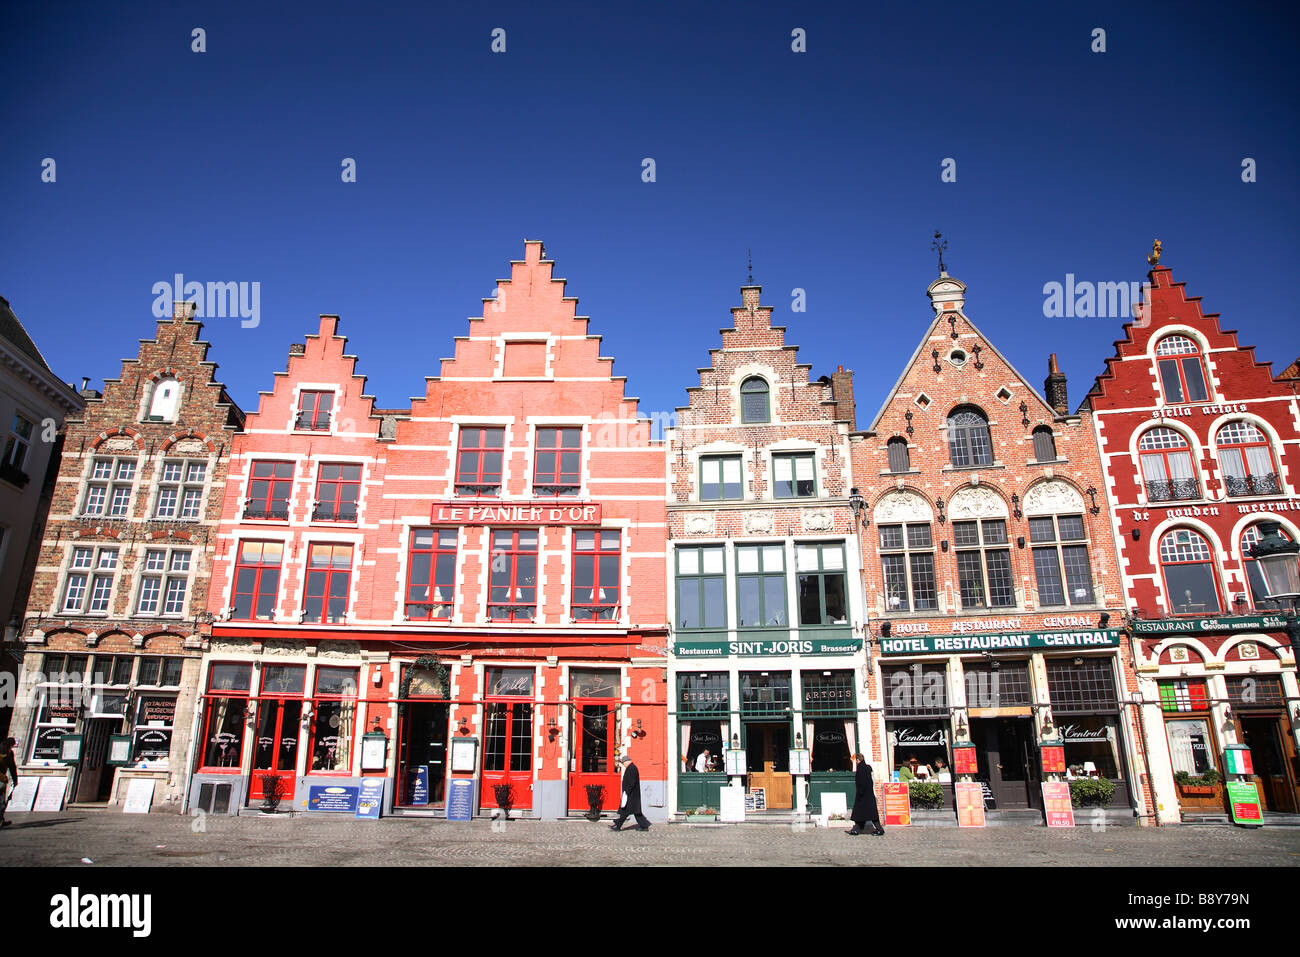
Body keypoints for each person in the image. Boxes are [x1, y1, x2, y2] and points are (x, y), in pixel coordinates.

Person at [610, 754, 651, 831]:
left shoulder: (631, 768)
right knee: (636, 812)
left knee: (626, 811)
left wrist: (627, 791)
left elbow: (631, 782)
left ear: (626, 761)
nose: (623, 764)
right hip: (632, 794)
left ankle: (618, 825)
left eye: (623, 763)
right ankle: (644, 825)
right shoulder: (632, 768)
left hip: (631, 794)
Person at [848, 753, 884, 836]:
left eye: (856, 761)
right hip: (869, 795)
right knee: (866, 814)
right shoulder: (867, 768)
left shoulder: (861, 768)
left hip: (863, 795)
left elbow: (861, 782)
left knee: (862, 813)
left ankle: (879, 829)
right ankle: (857, 828)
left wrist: (860, 792)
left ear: (857, 760)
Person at [0, 737, 17, 828]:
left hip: (2, 780)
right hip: (1, 779)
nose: (12, 748)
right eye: (12, 746)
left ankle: (1, 820)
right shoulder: (3, 753)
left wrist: (15, 779)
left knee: (2, 801)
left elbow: (12, 767)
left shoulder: (10, 753)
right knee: (1, 801)